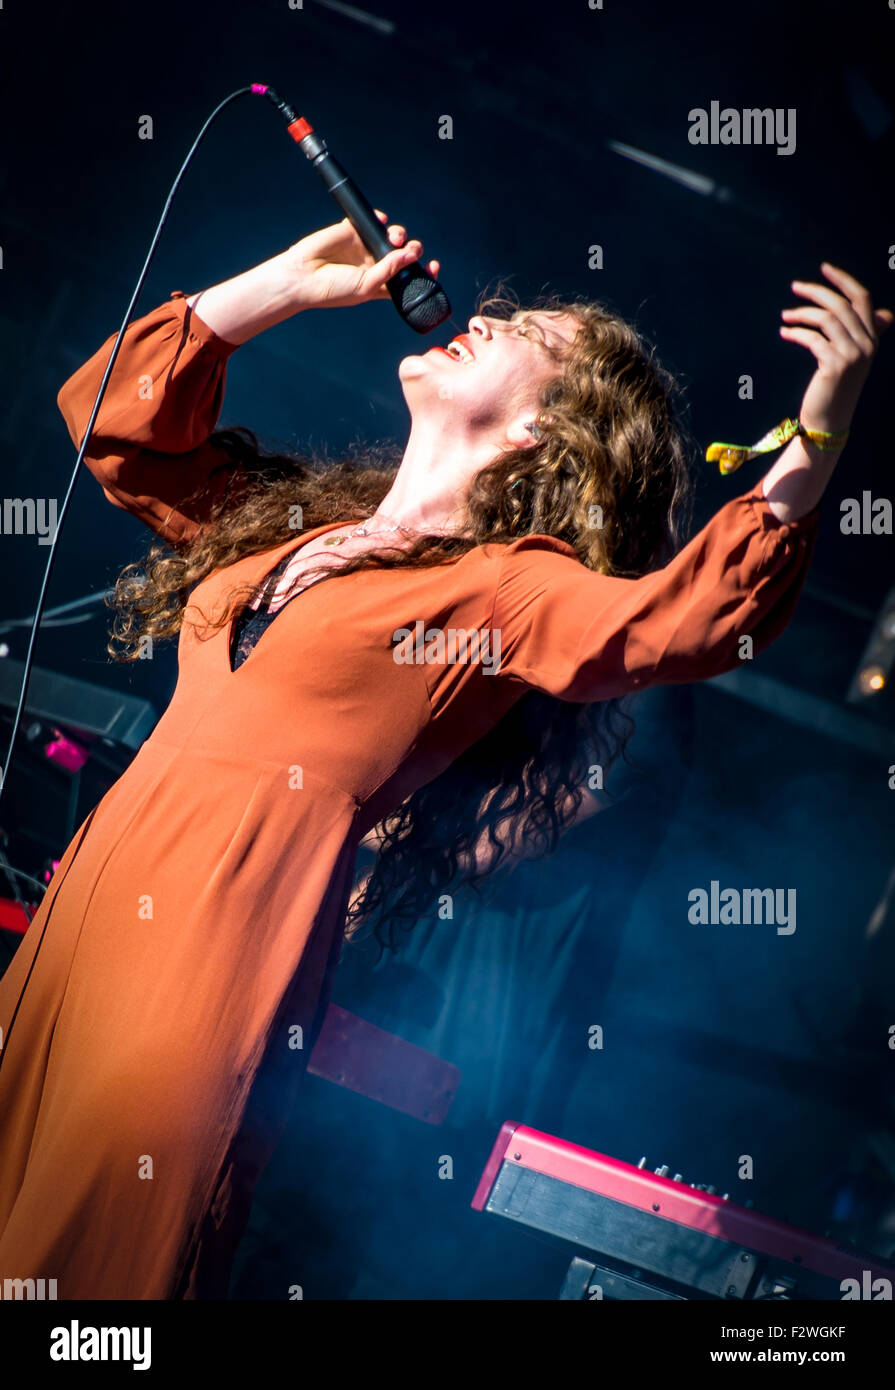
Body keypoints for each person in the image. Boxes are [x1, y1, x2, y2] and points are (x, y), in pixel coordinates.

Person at [0, 208, 888, 1298]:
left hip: (212, 941)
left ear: (538, 433)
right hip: (89, 909)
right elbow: (113, 425)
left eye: (535, 332)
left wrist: (819, 429)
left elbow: (687, 620)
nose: (492, 313)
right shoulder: (287, 527)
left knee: (88, 1262)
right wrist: (283, 282)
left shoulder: (499, 590)